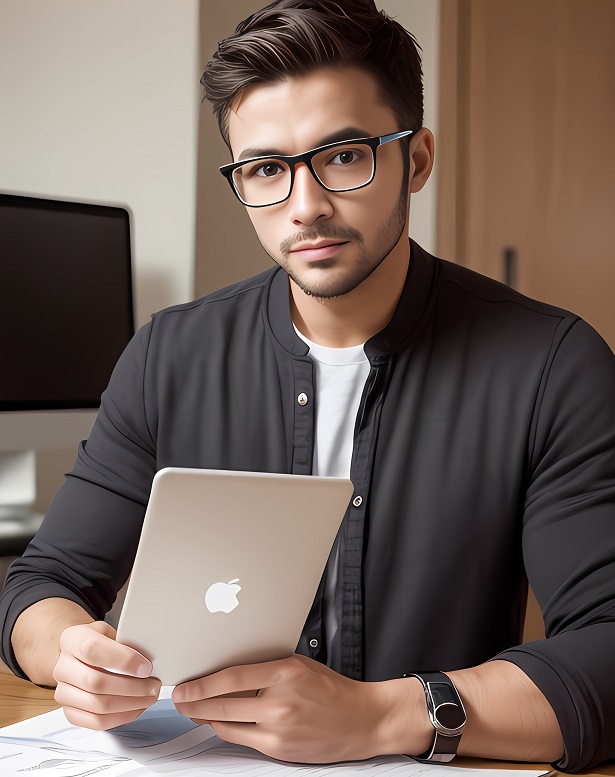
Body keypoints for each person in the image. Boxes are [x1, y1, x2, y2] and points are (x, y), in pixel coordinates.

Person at [2, 0, 615, 771]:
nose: (305, 206)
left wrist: (378, 713)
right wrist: (71, 653)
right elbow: (41, 584)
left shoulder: (553, 363)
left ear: (416, 158)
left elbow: (606, 643)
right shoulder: (169, 352)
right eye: (265, 169)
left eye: (345, 155)